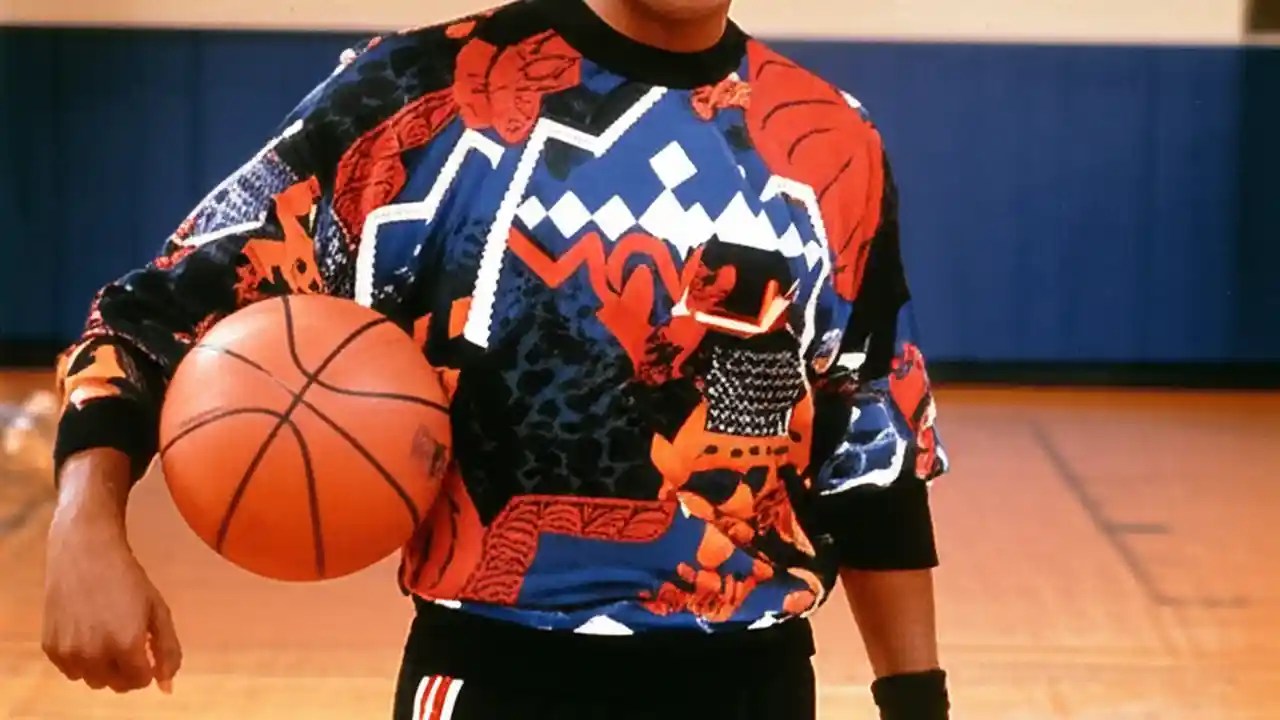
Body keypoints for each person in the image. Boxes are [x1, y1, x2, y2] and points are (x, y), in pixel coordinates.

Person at [41, 0, 952, 718]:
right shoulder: (416, 95)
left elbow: (869, 448)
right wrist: (85, 524)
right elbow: (150, 314)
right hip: (495, 678)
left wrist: (917, 704)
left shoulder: (830, 144)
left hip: (755, 681)